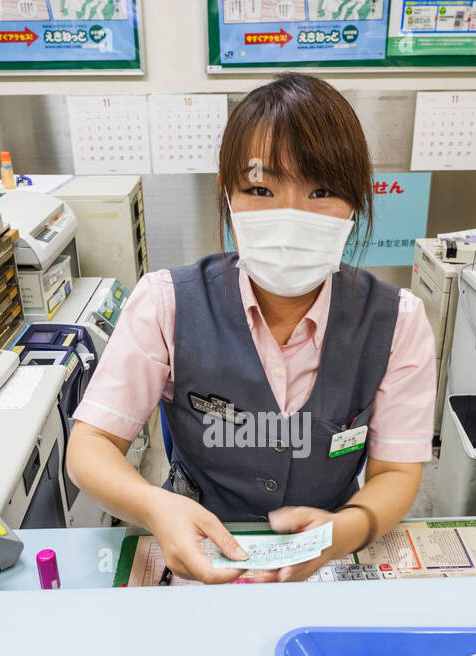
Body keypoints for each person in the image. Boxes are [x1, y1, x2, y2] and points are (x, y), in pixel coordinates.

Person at [68, 73, 435, 584]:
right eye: (260, 189)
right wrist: (155, 508)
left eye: (321, 190)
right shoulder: (166, 302)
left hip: (327, 557)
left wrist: (342, 532)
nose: (290, 216)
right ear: (230, 197)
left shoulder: (397, 321)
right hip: (196, 552)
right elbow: (90, 446)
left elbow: (396, 472)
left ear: (356, 202)